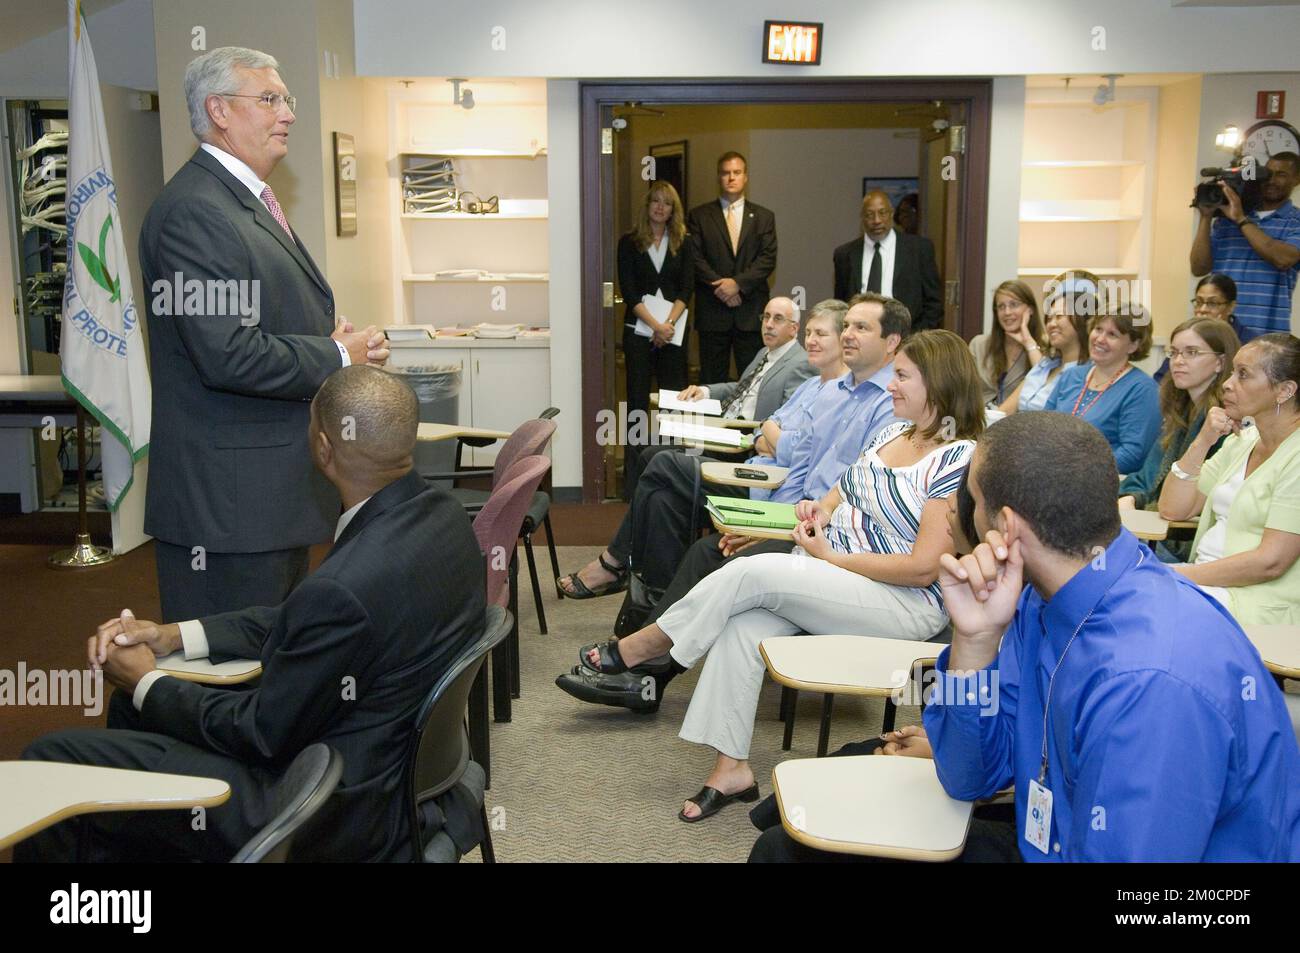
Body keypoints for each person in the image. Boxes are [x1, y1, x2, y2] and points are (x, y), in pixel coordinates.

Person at [16, 366, 487, 862]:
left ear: (324, 448)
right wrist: (173, 635)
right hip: (391, 769)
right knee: (134, 710)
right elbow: (301, 623)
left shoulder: (343, 588)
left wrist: (147, 681)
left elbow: (261, 735)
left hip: (318, 809)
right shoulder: (443, 516)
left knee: (51, 759)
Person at [567, 330, 983, 822]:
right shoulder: (893, 433)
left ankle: (644, 646)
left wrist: (831, 557)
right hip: (838, 576)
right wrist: (817, 513)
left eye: (902, 376)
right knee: (745, 626)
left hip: (901, 602)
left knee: (752, 574)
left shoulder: (956, 457)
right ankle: (731, 770)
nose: (891, 385)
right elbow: (839, 493)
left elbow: (922, 568)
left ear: (938, 384)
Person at [925, 412, 1300, 861]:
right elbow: (970, 776)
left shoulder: (1150, 680)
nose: (962, 511)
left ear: (1005, 527)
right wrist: (976, 642)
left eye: (971, 498)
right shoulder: (1039, 597)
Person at [557, 296, 908, 707]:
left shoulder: (890, 404)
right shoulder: (837, 392)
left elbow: (853, 494)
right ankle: (642, 661)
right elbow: (797, 464)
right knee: (691, 527)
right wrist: (765, 518)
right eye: (846, 325)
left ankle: (641, 661)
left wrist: (768, 526)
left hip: (828, 536)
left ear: (891, 342)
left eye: (860, 328)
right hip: (791, 510)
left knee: (706, 545)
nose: (848, 334)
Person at [140, 47, 388, 623]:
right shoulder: (195, 212)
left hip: (264, 497)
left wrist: (333, 340)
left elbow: (254, 323)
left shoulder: (242, 200)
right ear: (219, 110)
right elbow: (226, 355)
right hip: (228, 510)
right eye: (270, 99)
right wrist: (333, 353)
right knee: (226, 680)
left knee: (267, 669)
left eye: (286, 99)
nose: (288, 115)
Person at [559, 296, 814, 598]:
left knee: (660, 462)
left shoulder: (800, 366)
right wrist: (704, 390)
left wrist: (758, 433)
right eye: (766, 316)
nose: (769, 324)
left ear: (794, 328)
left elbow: (781, 426)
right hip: (729, 433)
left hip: (743, 450)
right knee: (659, 482)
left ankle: (616, 563)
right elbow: (743, 390)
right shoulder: (766, 353)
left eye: (778, 319)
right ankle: (652, 591)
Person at [1159, 333, 1300, 624]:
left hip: (1258, 603)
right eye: (1232, 371)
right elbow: (1174, 509)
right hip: (1205, 582)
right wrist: (1203, 440)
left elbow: (1271, 562)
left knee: (1136, 610)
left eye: (1243, 375)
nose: (1227, 383)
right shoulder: (1244, 440)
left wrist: (1176, 575)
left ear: (1284, 391)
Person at [1119, 318, 1239, 531]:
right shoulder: (1181, 410)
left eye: (1191, 352)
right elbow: (1147, 475)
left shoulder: (1226, 420)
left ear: (1221, 362)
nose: (1178, 361)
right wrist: (1131, 497)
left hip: (1184, 531)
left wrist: (1137, 502)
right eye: (1173, 352)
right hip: (1155, 520)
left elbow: (1202, 495)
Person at [688, 152, 778, 382]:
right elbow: (695, 258)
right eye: (726, 173)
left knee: (751, 381)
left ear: (745, 177)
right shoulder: (699, 216)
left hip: (749, 313)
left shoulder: (763, 217)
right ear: (718, 177)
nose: (731, 178)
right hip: (713, 312)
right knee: (711, 381)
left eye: (736, 172)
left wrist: (737, 285)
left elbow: (767, 259)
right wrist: (722, 288)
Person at [1190, 152, 1300, 341]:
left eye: (1281, 174)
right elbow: (1199, 268)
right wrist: (1206, 217)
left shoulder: (1295, 220)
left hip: (1267, 335)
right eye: (1268, 173)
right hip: (1220, 332)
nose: (1271, 180)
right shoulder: (1226, 220)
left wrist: (1241, 218)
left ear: (1297, 180)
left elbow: (1283, 259)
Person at [618, 181, 694, 455]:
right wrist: (656, 326)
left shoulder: (684, 242)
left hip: (673, 333)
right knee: (636, 400)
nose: (661, 207)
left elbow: (687, 289)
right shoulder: (628, 243)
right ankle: (634, 469)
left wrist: (668, 325)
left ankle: (670, 463)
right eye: (656, 201)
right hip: (639, 332)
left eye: (667, 203)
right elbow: (629, 292)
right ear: (647, 205)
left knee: (673, 400)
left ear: (674, 210)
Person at [1044, 307, 1161, 474]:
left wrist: (1077, 470)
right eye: (1098, 329)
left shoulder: (1143, 389)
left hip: (1100, 481)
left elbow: (1133, 454)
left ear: (1133, 345)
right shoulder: (1071, 376)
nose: (1100, 339)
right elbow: (1043, 425)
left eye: (1112, 334)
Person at [832, 190, 943, 331]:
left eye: (882, 213)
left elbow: (934, 302)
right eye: (870, 215)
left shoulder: (919, 249)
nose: (876, 220)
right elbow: (840, 304)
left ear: (892, 213)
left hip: (907, 336)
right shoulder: (845, 254)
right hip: (859, 336)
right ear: (862, 218)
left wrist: (916, 338)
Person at [998, 290, 1091, 414]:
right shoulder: (1045, 365)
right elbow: (1004, 411)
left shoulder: (1088, 373)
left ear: (1081, 320)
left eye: (1059, 317)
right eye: (1049, 318)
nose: (1051, 324)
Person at [968, 280, 1046, 407]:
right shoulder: (979, 345)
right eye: (1001, 306)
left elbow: (1045, 383)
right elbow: (965, 390)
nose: (1007, 312)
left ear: (1030, 310)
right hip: (980, 420)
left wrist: (1028, 342)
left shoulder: (1043, 347)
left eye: (1014, 304)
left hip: (1020, 422)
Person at [1153, 273, 1240, 383]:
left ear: (1231, 307)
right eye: (1199, 302)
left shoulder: (1247, 342)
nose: (1203, 309)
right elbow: (1160, 380)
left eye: (1212, 303)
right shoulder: (1187, 336)